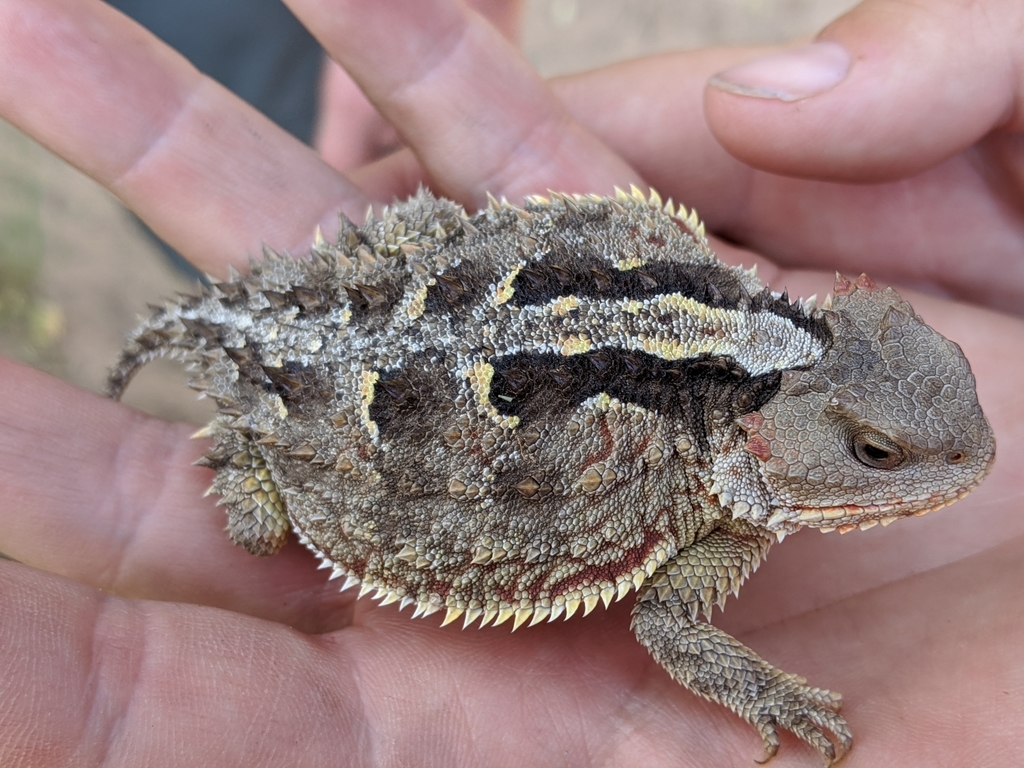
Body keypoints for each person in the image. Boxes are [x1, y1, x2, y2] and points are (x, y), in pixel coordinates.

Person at [0, 0, 1020, 765]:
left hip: (372, 289)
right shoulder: (696, 468)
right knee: (262, 525)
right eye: (872, 457)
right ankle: (250, 443)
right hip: (326, 400)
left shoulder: (682, 256)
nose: (935, 462)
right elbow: (668, 621)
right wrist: (767, 697)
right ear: (764, 437)